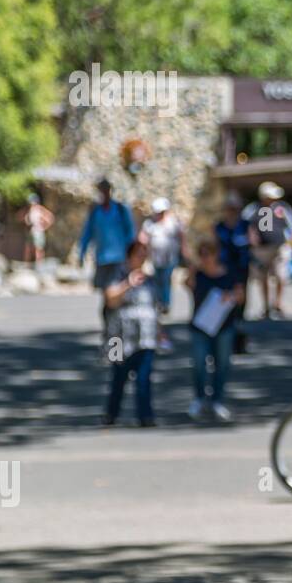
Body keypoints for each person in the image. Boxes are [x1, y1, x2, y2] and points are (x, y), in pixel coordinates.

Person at [184, 238, 242, 422]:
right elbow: (187, 284)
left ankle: (217, 400)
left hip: (224, 327)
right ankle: (199, 399)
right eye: (202, 255)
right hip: (200, 327)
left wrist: (230, 296)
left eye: (208, 254)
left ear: (216, 255)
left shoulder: (229, 273)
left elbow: (240, 296)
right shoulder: (198, 274)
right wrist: (192, 267)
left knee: (222, 364)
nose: (205, 258)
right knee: (199, 364)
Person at [102, 239, 158, 427]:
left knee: (144, 377)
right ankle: (111, 414)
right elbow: (109, 299)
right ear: (130, 255)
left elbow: (154, 307)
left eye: (144, 255)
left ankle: (146, 416)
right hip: (117, 337)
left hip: (145, 337)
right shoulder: (117, 273)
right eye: (138, 254)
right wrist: (127, 283)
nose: (142, 258)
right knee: (118, 376)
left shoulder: (149, 279)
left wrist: (160, 330)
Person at [79, 177, 137, 324]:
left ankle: (115, 320)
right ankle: (110, 321)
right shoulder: (95, 211)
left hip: (119, 258)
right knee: (105, 291)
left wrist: (131, 254)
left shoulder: (120, 209)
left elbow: (130, 232)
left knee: (115, 289)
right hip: (102, 257)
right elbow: (88, 232)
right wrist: (82, 252)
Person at [245, 181, 292, 320]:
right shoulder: (253, 209)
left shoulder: (282, 209)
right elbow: (244, 224)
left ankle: (277, 304)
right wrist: (250, 239)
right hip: (261, 250)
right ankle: (265, 307)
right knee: (262, 278)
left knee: (280, 276)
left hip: (279, 248)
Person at [140, 197, 187, 351]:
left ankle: (165, 303)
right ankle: (160, 302)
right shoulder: (149, 224)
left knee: (166, 279)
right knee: (157, 281)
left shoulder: (173, 222)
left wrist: (184, 253)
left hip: (170, 258)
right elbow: (143, 238)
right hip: (156, 259)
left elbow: (181, 237)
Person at [215, 192, 252, 354]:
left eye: (235, 209)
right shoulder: (219, 227)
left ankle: (239, 341)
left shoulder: (245, 225)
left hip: (242, 270)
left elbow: (253, 242)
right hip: (224, 271)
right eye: (230, 209)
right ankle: (224, 341)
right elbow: (214, 247)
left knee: (240, 305)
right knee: (224, 305)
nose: (232, 212)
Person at [22, 193, 54, 265]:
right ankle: (27, 264)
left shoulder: (39, 209)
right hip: (31, 231)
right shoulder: (30, 210)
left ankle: (39, 264)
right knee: (28, 248)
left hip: (38, 231)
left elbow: (50, 218)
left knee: (38, 248)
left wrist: (43, 227)